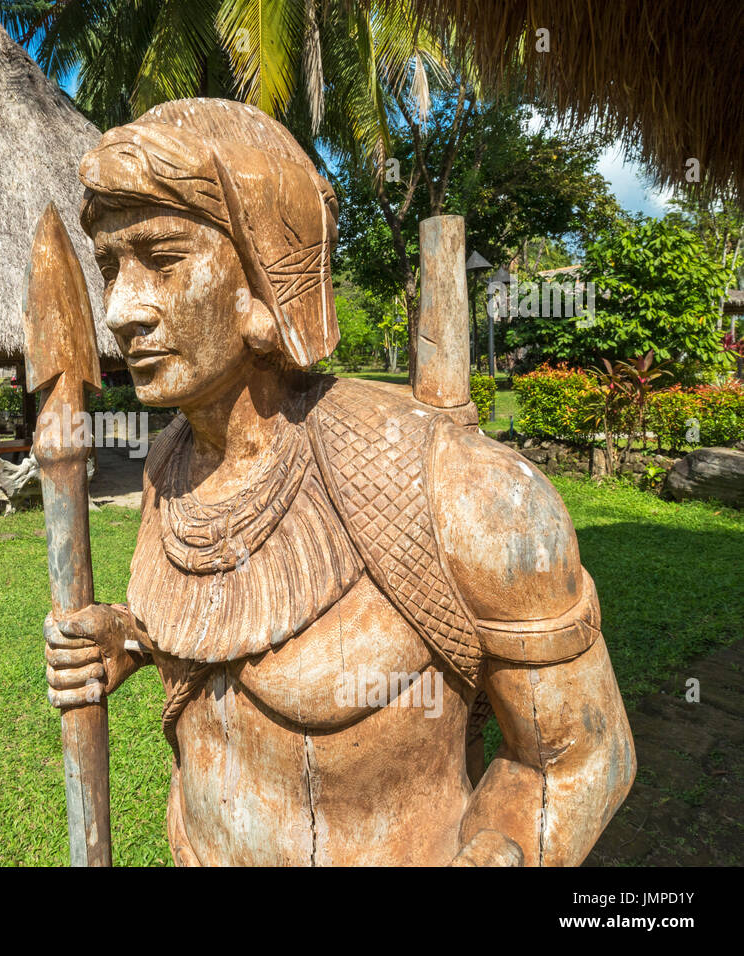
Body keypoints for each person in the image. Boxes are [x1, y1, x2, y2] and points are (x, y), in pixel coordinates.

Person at [42, 99, 634, 866]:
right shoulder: (171, 470)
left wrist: (504, 849)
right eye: (110, 268)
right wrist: (129, 638)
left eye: (163, 259)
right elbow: (224, 636)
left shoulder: (460, 493)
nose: (120, 311)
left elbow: (576, 758)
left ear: (263, 277)